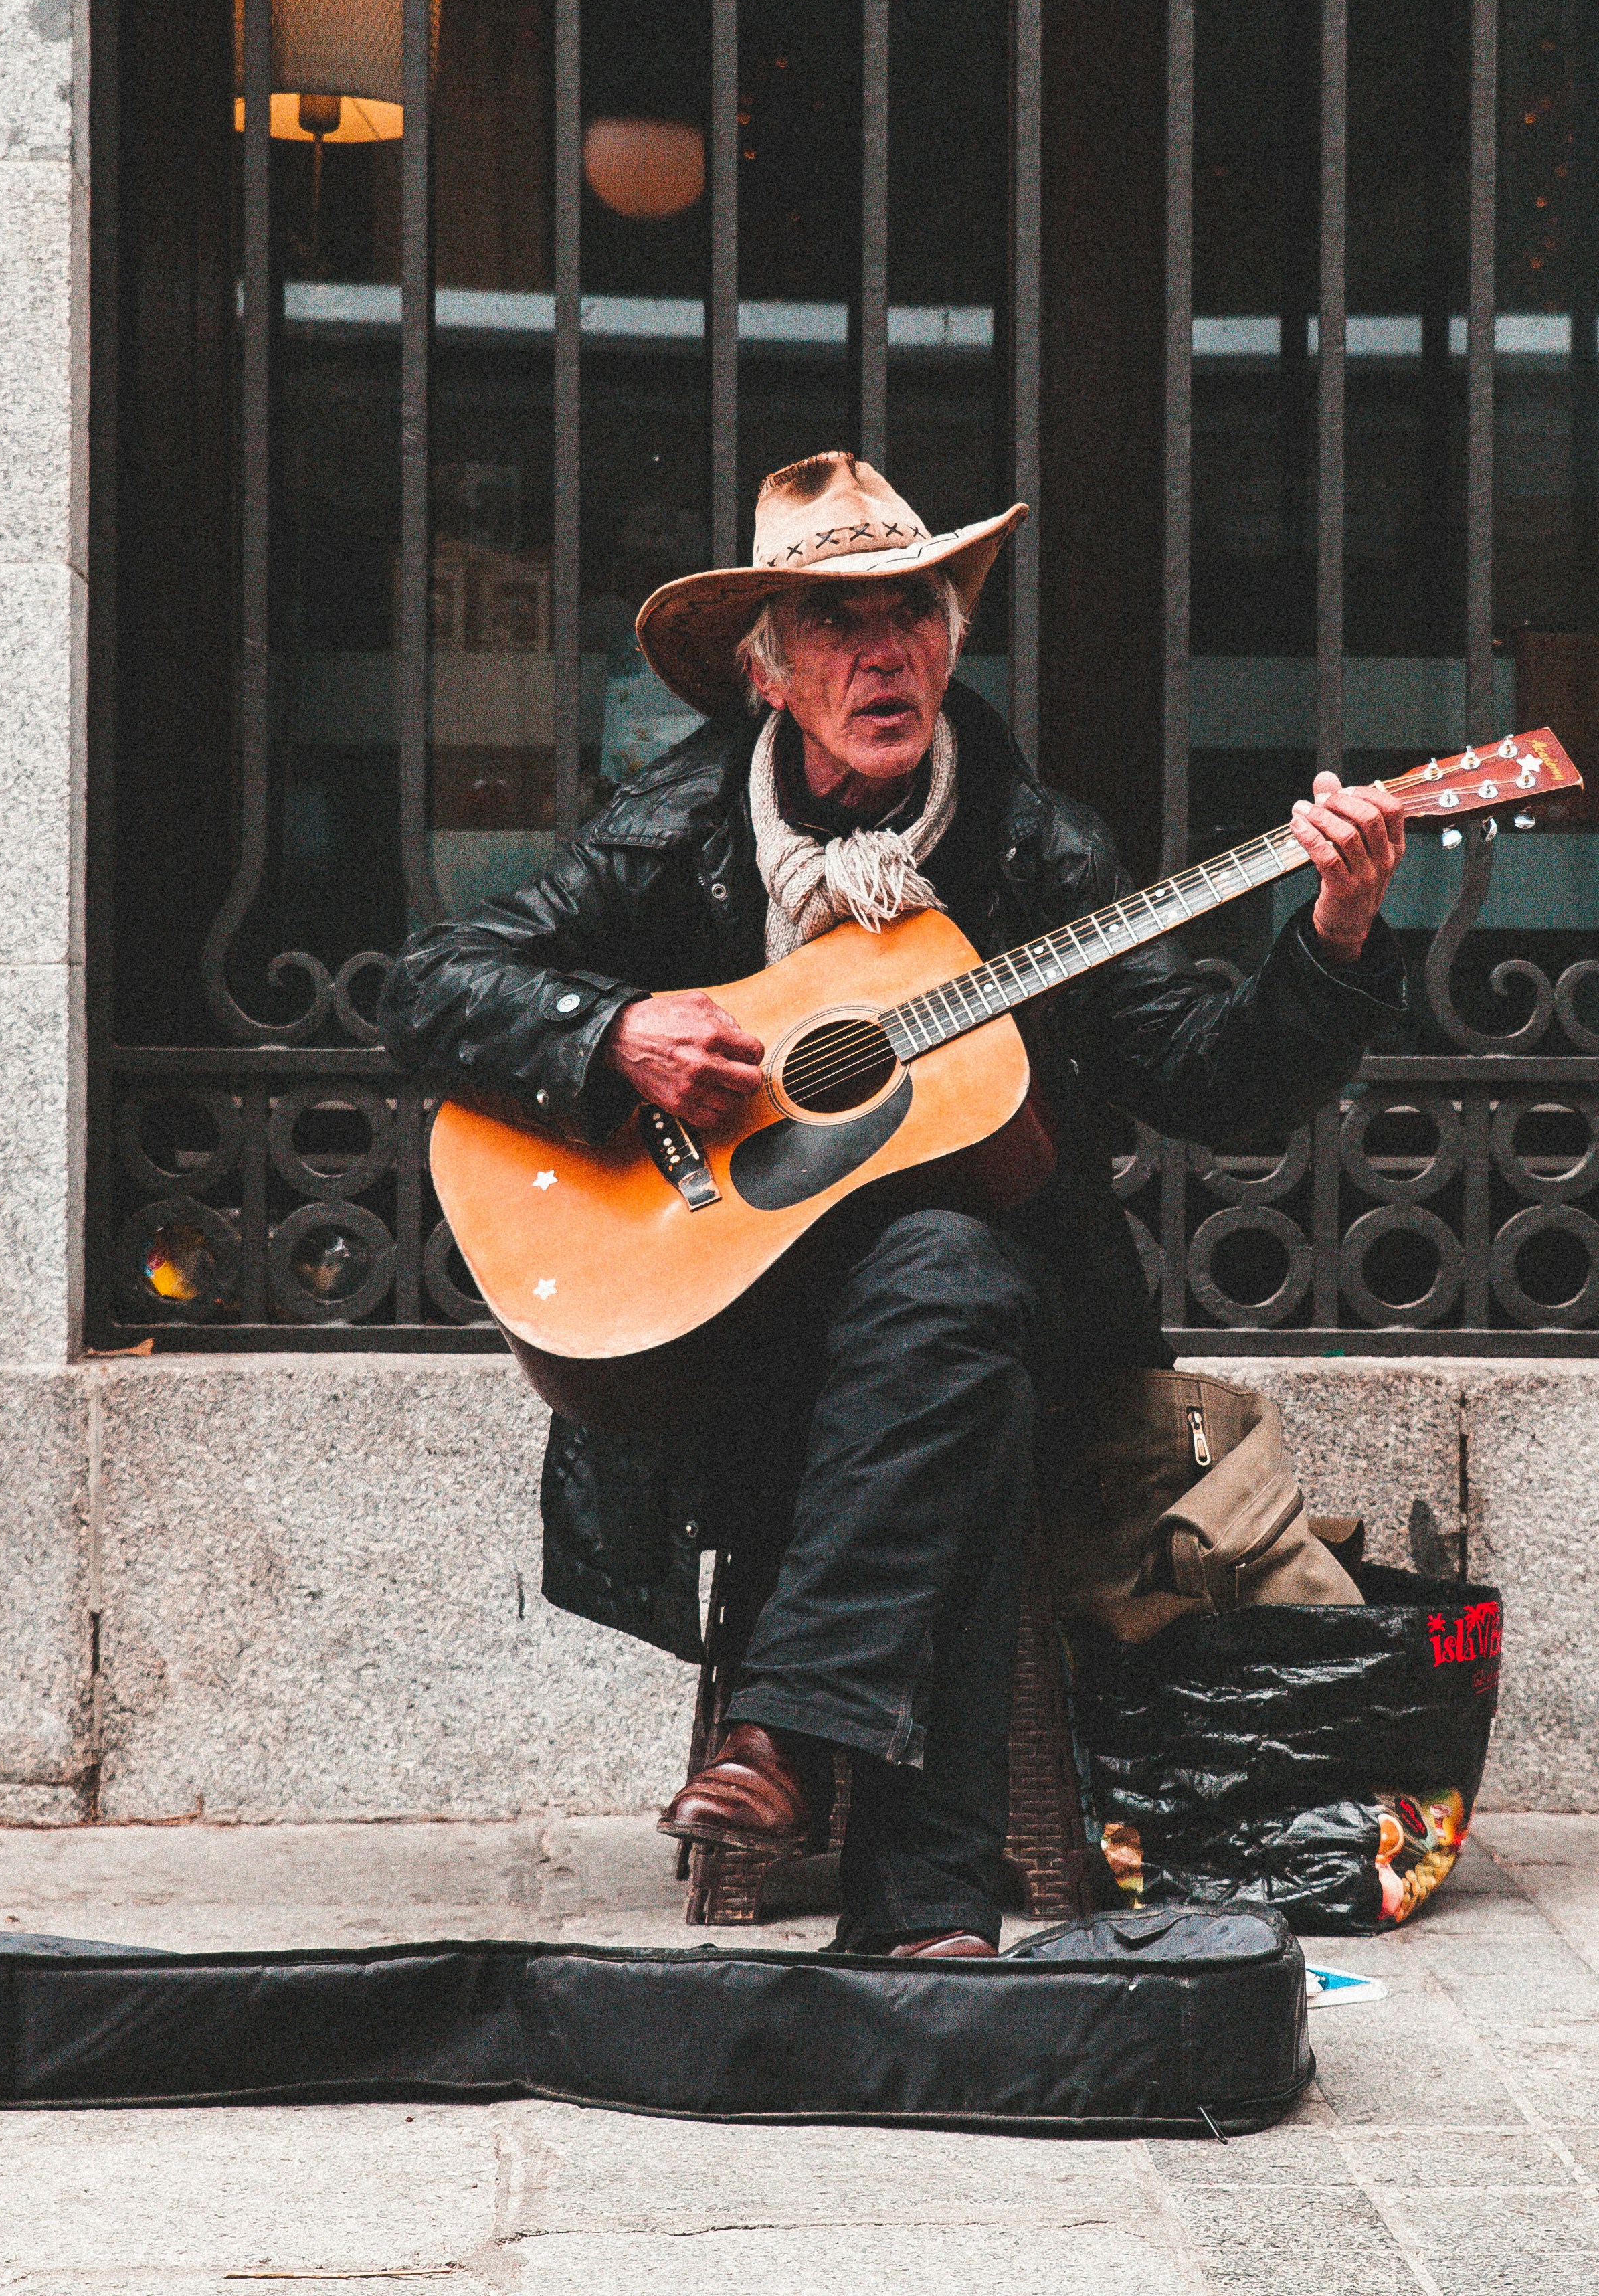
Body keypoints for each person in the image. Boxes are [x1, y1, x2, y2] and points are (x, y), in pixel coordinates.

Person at [381, 452, 1407, 1957]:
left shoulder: (1032, 849)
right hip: (726, 1357)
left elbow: (1210, 1081)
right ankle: (921, 1906)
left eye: (913, 613)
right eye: (837, 622)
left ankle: (788, 1743)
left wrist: (1335, 931)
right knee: (954, 1354)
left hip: (993, 1336)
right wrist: (614, 1038)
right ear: (769, 671)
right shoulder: (672, 830)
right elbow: (432, 990)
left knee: (949, 1288)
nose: (886, 652)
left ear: (952, 637)